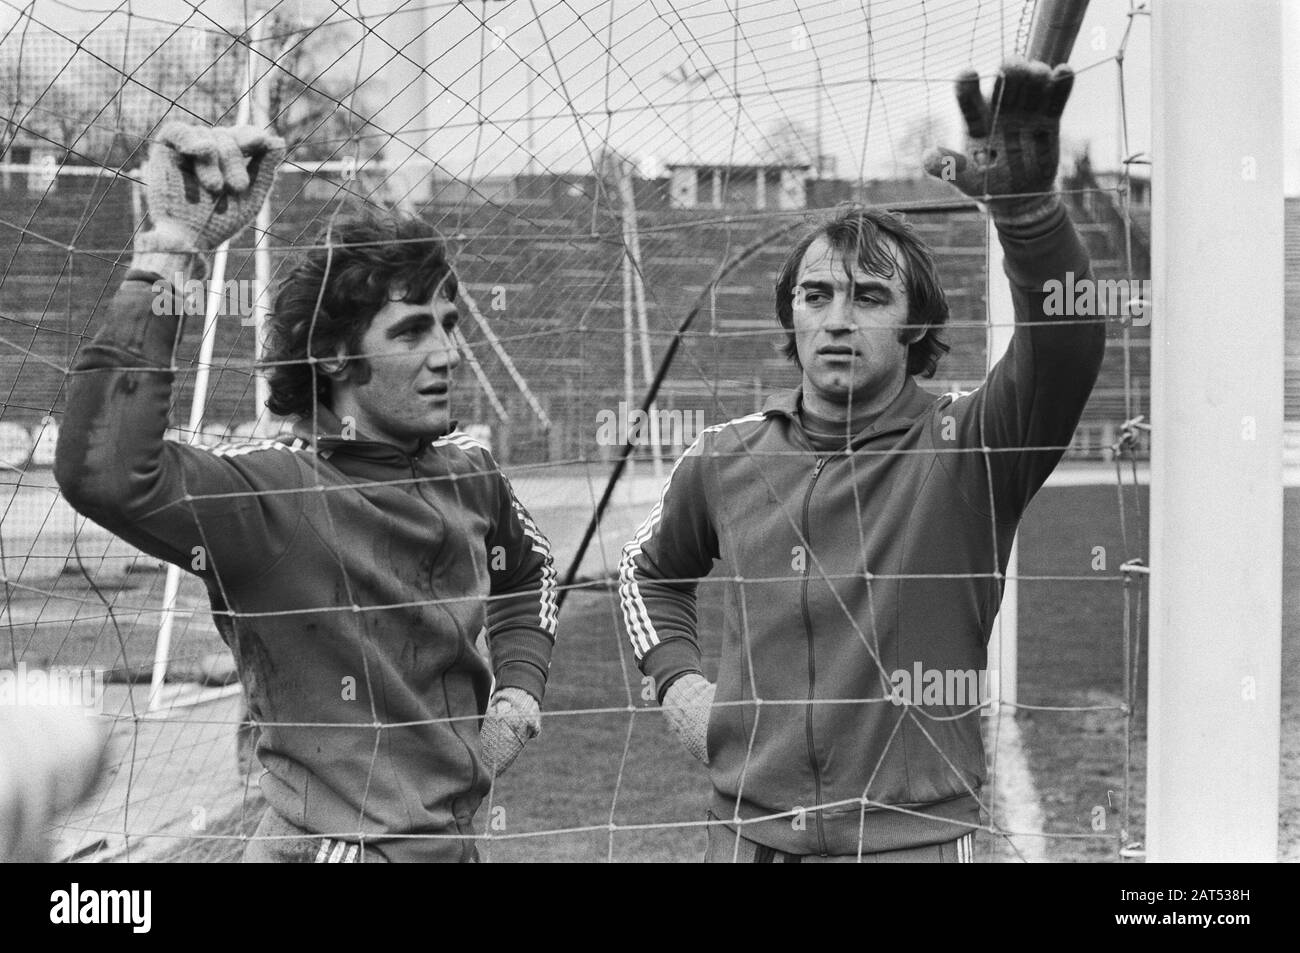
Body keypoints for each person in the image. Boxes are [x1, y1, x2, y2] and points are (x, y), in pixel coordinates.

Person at [619, 59, 1104, 862]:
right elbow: (645, 571)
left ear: (916, 326)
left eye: (870, 297)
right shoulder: (725, 456)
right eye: (817, 295)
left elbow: (1067, 347)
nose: (838, 319)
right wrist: (679, 682)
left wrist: (1029, 220)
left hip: (912, 839)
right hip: (749, 835)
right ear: (792, 316)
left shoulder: (971, 450)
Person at [55, 124, 558, 862]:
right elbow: (103, 472)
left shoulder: (470, 474)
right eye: (413, 330)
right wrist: (169, 247)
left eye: (450, 326)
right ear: (334, 358)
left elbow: (532, 570)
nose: (448, 354)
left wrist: (517, 692)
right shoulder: (275, 495)